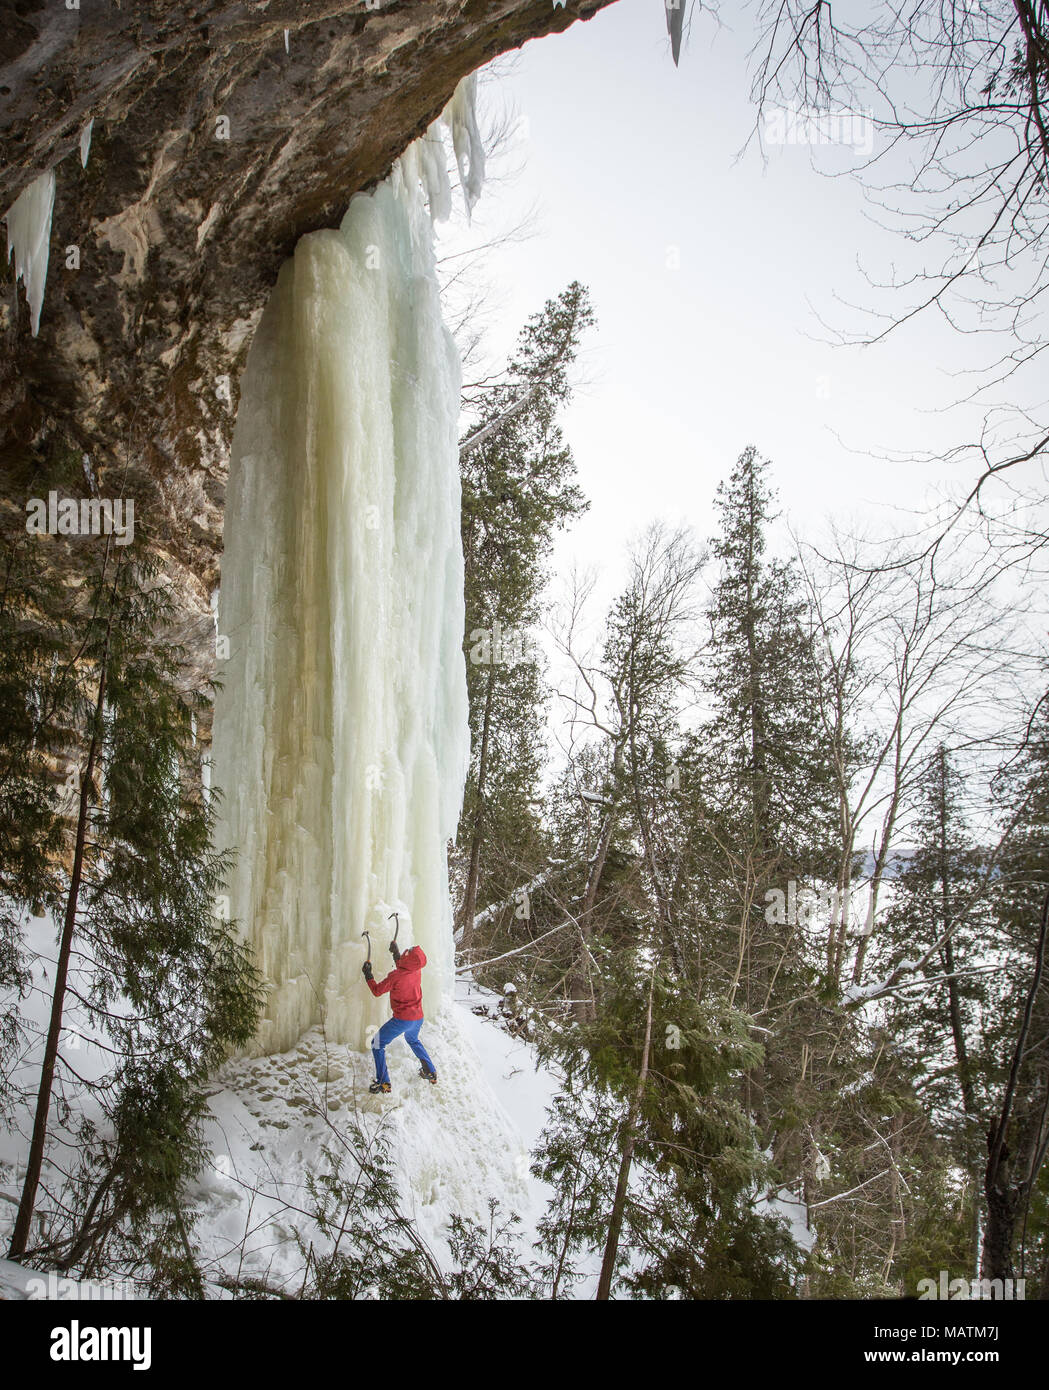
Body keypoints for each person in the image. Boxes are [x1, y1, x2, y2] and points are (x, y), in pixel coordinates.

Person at [362, 938, 437, 1094]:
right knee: (413, 1039)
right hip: (418, 1018)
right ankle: (430, 1071)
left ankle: (384, 1082)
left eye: (408, 952)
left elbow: (377, 991)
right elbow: (405, 967)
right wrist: (396, 954)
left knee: (377, 1043)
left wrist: (368, 975)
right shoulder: (416, 970)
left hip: (403, 1019)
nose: (406, 951)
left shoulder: (395, 976)